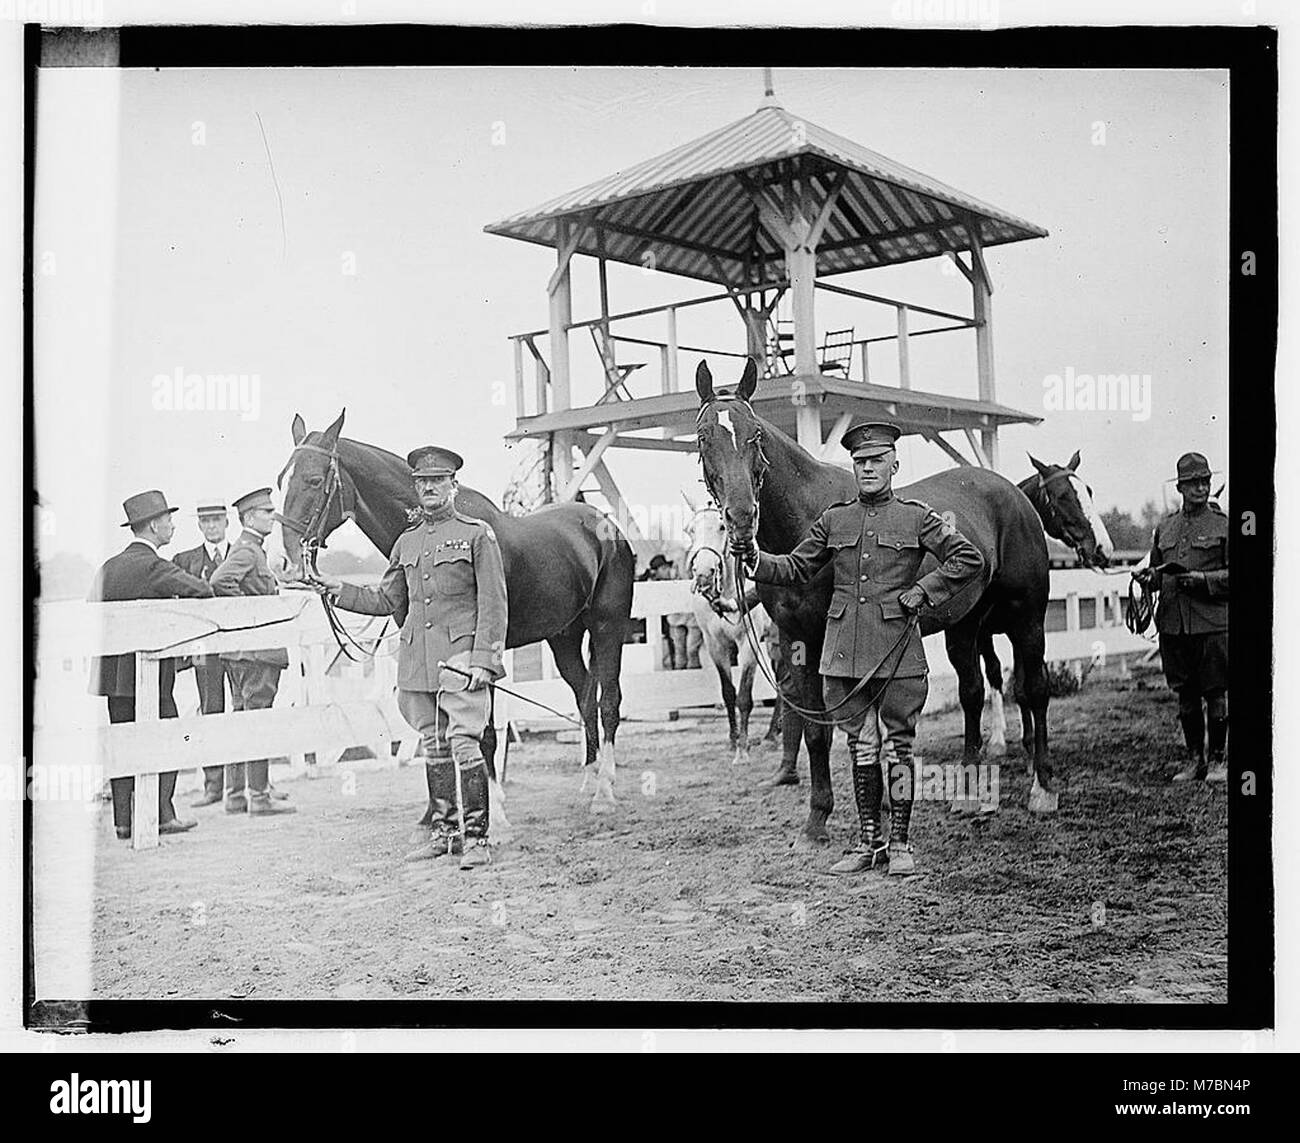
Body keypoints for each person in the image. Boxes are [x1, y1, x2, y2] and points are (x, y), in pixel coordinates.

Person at [740, 422, 985, 877]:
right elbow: (795, 567)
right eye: (860, 462)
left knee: (899, 746)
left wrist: (925, 590)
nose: (868, 469)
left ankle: (903, 845)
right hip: (845, 653)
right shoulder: (835, 519)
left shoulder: (917, 517)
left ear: (894, 464)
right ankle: (867, 842)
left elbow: (969, 558)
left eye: (876, 461)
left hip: (896, 650)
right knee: (862, 746)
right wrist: (753, 559)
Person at [306, 446, 507, 869]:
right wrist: (337, 589)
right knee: (433, 745)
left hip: (459, 660)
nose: (430, 488)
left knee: (465, 744)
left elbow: (494, 603)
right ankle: (445, 833)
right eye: (422, 482)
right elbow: (386, 599)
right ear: (414, 487)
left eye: (438, 481)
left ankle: (477, 839)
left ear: (454, 485)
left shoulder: (477, 535)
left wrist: (482, 661)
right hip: (418, 660)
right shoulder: (406, 542)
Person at [88, 490, 213, 840]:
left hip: (114, 678)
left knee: (122, 745)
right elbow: (202, 590)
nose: (172, 526)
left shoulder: (108, 568)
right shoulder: (155, 565)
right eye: (169, 520)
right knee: (168, 739)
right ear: (156, 525)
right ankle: (162, 814)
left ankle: (123, 821)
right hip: (151, 677)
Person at [1138, 452, 1229, 783]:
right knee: (1186, 696)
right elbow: (1159, 571)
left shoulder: (1224, 526)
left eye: (1205, 482)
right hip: (1174, 625)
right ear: (1180, 486)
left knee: (1216, 693)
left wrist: (1204, 581)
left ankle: (1219, 761)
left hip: (1212, 624)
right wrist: (1151, 579)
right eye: (1193, 483)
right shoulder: (1165, 527)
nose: (1201, 488)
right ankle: (1195, 761)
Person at [210, 488, 296, 817]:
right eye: (266, 511)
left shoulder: (252, 550)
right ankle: (259, 797)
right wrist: (251, 619)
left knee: (243, 720)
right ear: (249, 518)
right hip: (255, 653)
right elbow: (221, 582)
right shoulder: (247, 551)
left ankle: (236, 795)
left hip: (243, 654)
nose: (272, 515)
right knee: (256, 723)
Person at [172, 501, 233, 807]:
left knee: (247, 711)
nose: (211, 526)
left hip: (239, 647)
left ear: (227, 522)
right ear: (199, 525)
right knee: (211, 712)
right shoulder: (184, 560)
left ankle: (251, 784)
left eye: (216, 520)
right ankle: (213, 786)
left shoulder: (243, 553)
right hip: (204, 651)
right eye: (205, 521)